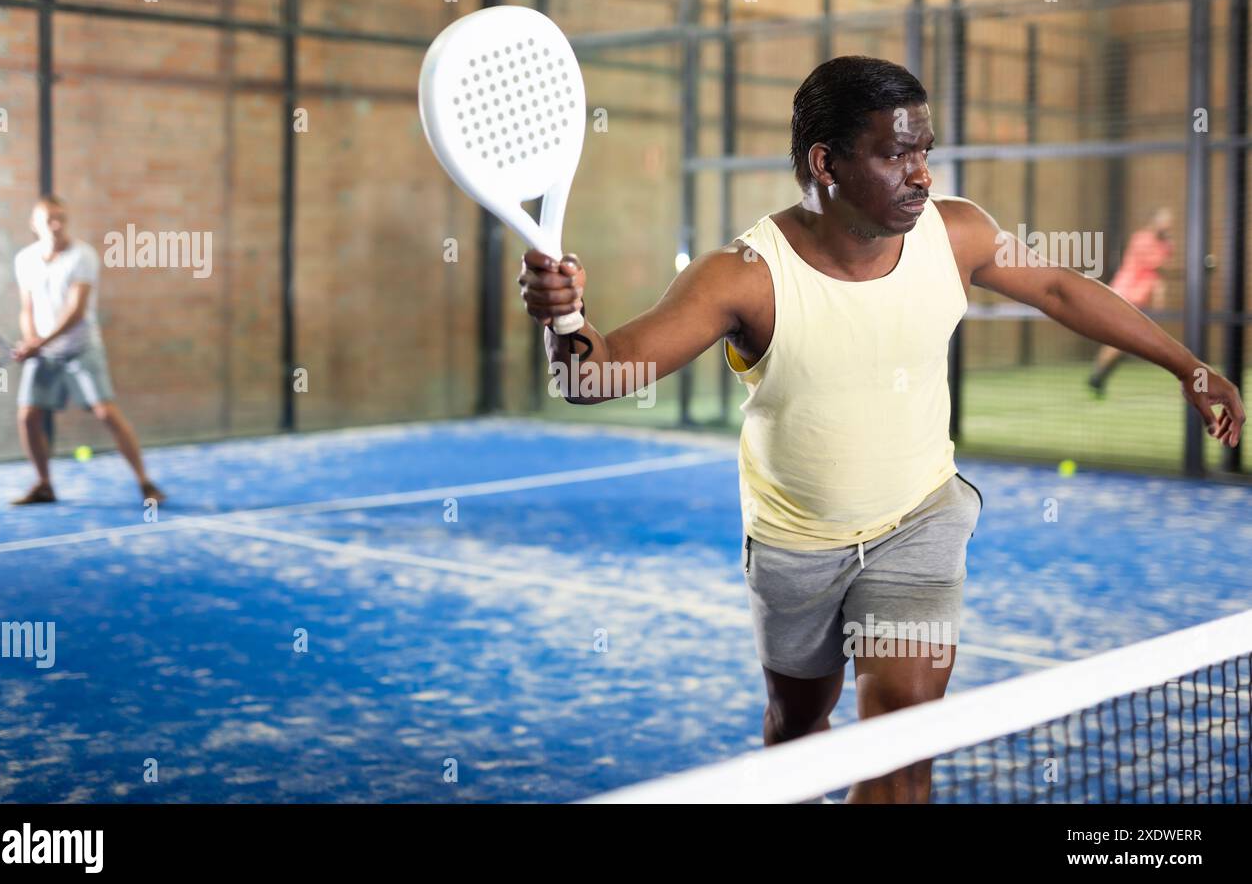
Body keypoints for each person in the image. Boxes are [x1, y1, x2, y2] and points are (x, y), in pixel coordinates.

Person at [517, 56, 1245, 803]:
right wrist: (565, 317)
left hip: (917, 522)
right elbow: (593, 376)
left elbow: (1060, 286)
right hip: (795, 543)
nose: (922, 174)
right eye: (897, 154)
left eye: (925, 150)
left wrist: (1187, 365)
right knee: (798, 731)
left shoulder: (957, 233)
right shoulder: (743, 276)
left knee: (900, 750)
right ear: (824, 163)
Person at [11, 195, 165, 506]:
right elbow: (27, 307)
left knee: (105, 411)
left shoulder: (83, 256)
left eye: (61, 218)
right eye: (49, 219)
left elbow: (76, 311)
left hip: (81, 347)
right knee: (28, 415)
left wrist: (38, 342)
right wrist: (30, 339)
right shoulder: (24, 260)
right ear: (34, 225)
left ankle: (145, 482)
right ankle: (44, 484)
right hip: (43, 352)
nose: (57, 225)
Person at [1087, 207, 1174, 397]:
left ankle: (1099, 378)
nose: (1168, 224)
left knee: (1125, 342)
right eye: (1165, 219)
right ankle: (1097, 376)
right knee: (1121, 340)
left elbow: (1158, 275)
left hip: (1140, 298)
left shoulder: (1165, 244)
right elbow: (1157, 266)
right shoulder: (1141, 239)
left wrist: (1159, 297)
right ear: (1154, 220)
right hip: (1125, 293)